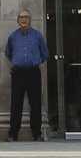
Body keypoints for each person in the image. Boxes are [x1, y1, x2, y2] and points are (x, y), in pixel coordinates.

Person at [4, 9, 49, 142]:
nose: (24, 19)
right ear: (18, 20)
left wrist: (34, 61)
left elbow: (45, 53)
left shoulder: (37, 36)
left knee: (35, 103)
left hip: (33, 72)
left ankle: (37, 133)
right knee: (15, 103)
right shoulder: (13, 37)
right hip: (18, 73)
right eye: (21, 17)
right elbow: (8, 53)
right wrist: (18, 62)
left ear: (30, 20)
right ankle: (13, 134)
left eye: (26, 17)